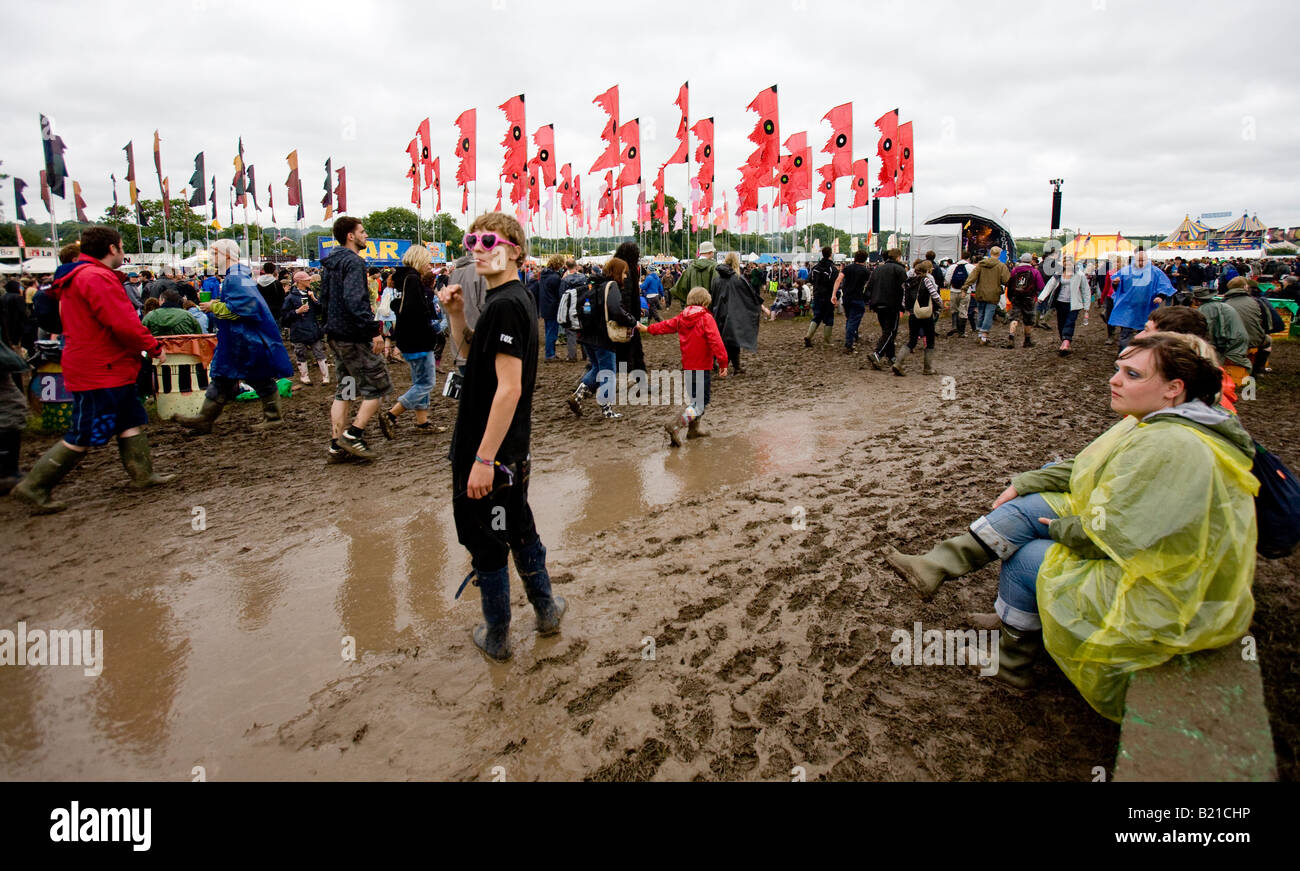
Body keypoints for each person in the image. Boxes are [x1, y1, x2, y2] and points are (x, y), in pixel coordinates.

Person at [885, 333, 1256, 718]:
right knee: (1029, 514)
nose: (1114, 380)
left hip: (1172, 597)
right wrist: (1035, 486)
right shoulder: (1171, 426)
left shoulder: (1169, 442)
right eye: (1117, 370)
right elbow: (1100, 484)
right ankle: (941, 569)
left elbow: (1113, 534)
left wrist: (1063, 528)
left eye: (1131, 374)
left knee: (1027, 557)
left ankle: (1010, 663)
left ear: (1173, 388)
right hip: (1177, 574)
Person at [437, 212, 566, 663]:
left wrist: (482, 458)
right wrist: (456, 314)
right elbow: (476, 355)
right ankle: (547, 612)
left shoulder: (508, 303)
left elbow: (508, 388)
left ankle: (497, 636)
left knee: (487, 542)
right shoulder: (503, 300)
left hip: (492, 452)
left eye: (489, 239)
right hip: (511, 451)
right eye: (472, 239)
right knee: (518, 526)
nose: (478, 246)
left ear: (514, 248)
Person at [11, 226, 174, 514]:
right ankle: (35, 486)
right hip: (100, 367)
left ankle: (143, 475)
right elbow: (122, 322)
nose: (122, 252)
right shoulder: (96, 277)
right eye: (122, 247)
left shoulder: (76, 276)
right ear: (113, 248)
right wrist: (153, 346)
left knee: (128, 420)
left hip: (103, 363)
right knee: (84, 432)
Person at [173, 240, 293, 435]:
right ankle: (205, 419)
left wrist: (214, 307)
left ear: (226, 254)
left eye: (213, 254)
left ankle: (273, 418)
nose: (211, 259)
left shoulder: (235, 277)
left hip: (244, 339)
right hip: (238, 338)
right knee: (223, 377)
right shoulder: (241, 275)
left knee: (257, 377)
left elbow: (246, 307)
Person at [316, 217, 391, 462]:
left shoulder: (330, 264)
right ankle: (353, 434)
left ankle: (336, 445)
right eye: (362, 231)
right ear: (351, 236)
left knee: (346, 389)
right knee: (377, 386)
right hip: (353, 337)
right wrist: (374, 331)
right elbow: (355, 301)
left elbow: (324, 300)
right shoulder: (354, 263)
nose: (366, 235)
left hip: (335, 336)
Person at [640, 286, 728, 447]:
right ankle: (676, 425)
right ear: (705, 302)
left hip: (688, 367)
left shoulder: (682, 317)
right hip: (702, 367)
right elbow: (716, 341)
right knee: (701, 403)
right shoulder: (706, 318)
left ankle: (694, 430)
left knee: (696, 400)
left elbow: (666, 325)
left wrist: (648, 329)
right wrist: (723, 362)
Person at [379, 243, 444, 435]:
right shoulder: (413, 279)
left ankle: (422, 422)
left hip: (406, 338)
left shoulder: (399, 279)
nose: (429, 265)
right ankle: (391, 414)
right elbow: (415, 311)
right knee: (427, 383)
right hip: (418, 339)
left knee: (420, 381)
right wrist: (431, 331)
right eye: (427, 261)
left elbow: (396, 306)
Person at [567, 257, 638, 420]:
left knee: (597, 368)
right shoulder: (611, 286)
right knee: (608, 372)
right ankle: (607, 409)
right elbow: (615, 310)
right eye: (624, 273)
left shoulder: (594, 283)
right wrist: (632, 321)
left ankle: (577, 395)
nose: (626, 277)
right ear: (617, 272)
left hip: (586, 335)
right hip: (603, 337)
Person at [1138, 305, 1237, 413]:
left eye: (1146, 330)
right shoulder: (1171, 379)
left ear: (1170, 341)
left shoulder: (1200, 405)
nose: (1138, 337)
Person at [711, 252, 770, 374]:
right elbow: (750, 296)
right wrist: (761, 306)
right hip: (734, 314)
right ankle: (727, 367)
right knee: (733, 341)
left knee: (723, 340)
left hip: (718, 313)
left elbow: (713, 297)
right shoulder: (738, 279)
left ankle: (734, 367)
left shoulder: (716, 279)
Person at [1108, 248, 1171, 351]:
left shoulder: (1155, 271)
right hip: (1128, 308)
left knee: (1146, 333)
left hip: (1147, 307)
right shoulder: (1126, 271)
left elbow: (1164, 284)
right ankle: (1124, 357)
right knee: (1125, 334)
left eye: (1143, 260)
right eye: (1139, 260)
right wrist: (1116, 283)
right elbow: (1118, 289)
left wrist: (1160, 296)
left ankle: (1142, 357)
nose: (1141, 263)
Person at [1188, 286, 1251, 389]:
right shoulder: (1221, 305)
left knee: (1215, 359)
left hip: (1231, 339)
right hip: (1239, 336)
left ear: (1196, 300)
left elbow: (1208, 331)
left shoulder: (1205, 309)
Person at [892, 260, 943, 376]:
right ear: (927, 271)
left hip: (913, 315)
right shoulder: (926, 281)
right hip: (926, 314)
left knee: (912, 340)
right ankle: (928, 368)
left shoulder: (907, 283)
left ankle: (898, 363)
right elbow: (935, 296)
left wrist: (910, 310)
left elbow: (904, 302)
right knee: (930, 340)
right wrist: (941, 305)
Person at [281, 271, 329, 385]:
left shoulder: (311, 294)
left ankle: (326, 377)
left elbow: (320, 310)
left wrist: (314, 300)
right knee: (300, 353)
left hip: (312, 328)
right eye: (307, 279)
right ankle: (304, 376)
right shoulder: (290, 298)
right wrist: (297, 311)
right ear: (299, 282)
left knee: (319, 352)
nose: (309, 281)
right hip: (298, 330)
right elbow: (284, 317)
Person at [1221, 276, 1272, 377]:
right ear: (1245, 287)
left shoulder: (1223, 303)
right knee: (1268, 340)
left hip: (1229, 342)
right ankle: (1258, 369)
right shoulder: (1257, 302)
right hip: (1253, 340)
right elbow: (1267, 325)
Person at [865, 248, 908, 370]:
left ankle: (891, 356)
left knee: (886, 330)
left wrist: (871, 300)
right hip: (892, 304)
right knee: (891, 331)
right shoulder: (900, 270)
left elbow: (869, 286)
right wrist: (905, 305)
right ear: (898, 257)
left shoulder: (878, 269)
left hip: (878, 303)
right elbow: (905, 288)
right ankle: (877, 354)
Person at [1043, 255, 1091, 356]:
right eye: (1065, 262)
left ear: (1073, 263)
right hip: (1060, 302)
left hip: (1074, 304)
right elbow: (1050, 285)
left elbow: (1086, 290)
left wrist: (1086, 307)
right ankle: (1064, 340)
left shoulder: (1079, 274)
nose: (1067, 264)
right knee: (1061, 323)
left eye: (1069, 262)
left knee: (1069, 322)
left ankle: (1066, 341)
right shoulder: (1058, 273)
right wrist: (1042, 296)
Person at [962, 246, 1011, 346]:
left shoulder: (981, 264)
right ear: (999, 254)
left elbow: (972, 277)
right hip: (993, 294)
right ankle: (984, 337)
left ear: (990, 253)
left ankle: (980, 335)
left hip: (980, 293)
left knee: (981, 313)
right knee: (989, 314)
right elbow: (1006, 280)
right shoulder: (1001, 266)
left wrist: (965, 288)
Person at [834, 250, 871, 354]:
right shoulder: (865, 271)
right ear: (865, 259)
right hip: (858, 297)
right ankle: (848, 343)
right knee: (853, 320)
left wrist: (834, 294)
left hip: (846, 297)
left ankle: (854, 335)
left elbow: (838, 280)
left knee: (850, 318)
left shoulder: (847, 268)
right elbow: (869, 285)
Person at [1005, 253, 1044, 348]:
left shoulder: (1014, 270)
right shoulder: (1034, 271)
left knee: (1014, 317)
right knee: (1028, 319)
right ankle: (1027, 340)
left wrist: (1010, 297)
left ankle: (1011, 337)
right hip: (1029, 298)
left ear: (1021, 260)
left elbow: (1009, 285)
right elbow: (1041, 286)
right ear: (1031, 261)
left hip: (1016, 297)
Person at [803, 246, 838, 348]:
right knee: (829, 318)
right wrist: (836, 295)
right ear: (831, 254)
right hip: (828, 296)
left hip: (817, 294)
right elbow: (835, 284)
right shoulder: (833, 269)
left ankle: (808, 335)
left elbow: (810, 279)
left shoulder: (815, 267)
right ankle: (827, 341)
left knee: (817, 316)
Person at [671, 241, 719, 307]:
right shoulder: (714, 266)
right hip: (709, 307)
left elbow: (679, 289)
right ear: (710, 252)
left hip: (692, 308)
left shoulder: (690, 267)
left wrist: (687, 302)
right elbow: (718, 288)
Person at [557, 258, 587, 362]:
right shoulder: (583, 278)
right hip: (582, 306)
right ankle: (585, 355)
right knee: (583, 330)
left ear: (566, 266)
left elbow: (561, 295)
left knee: (570, 331)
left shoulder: (565, 280)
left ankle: (572, 356)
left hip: (570, 307)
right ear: (576, 265)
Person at [537, 254, 564, 361]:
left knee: (549, 330)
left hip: (544, 306)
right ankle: (550, 354)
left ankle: (550, 352)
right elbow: (559, 293)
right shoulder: (555, 278)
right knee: (552, 332)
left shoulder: (543, 275)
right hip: (553, 307)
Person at [944, 255, 971, 338]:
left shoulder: (952, 267)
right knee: (963, 311)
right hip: (965, 292)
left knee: (954, 310)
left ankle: (954, 327)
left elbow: (947, 280)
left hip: (953, 291)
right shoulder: (971, 267)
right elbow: (973, 280)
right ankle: (961, 332)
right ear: (968, 258)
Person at [256, 261, 286, 329]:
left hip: (262, 311)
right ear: (274, 270)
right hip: (275, 313)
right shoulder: (277, 283)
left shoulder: (258, 283)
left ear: (263, 270)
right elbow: (282, 298)